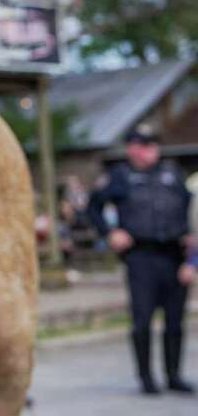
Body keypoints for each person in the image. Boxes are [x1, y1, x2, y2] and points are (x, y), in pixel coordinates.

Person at [87, 129, 194, 395]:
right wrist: (109, 232)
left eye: (153, 144)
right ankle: (146, 377)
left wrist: (192, 256)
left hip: (175, 255)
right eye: (142, 145)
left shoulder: (172, 173)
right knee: (142, 320)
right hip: (141, 257)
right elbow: (93, 207)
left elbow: (192, 211)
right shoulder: (120, 177)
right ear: (131, 149)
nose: (149, 150)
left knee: (175, 321)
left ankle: (174, 375)